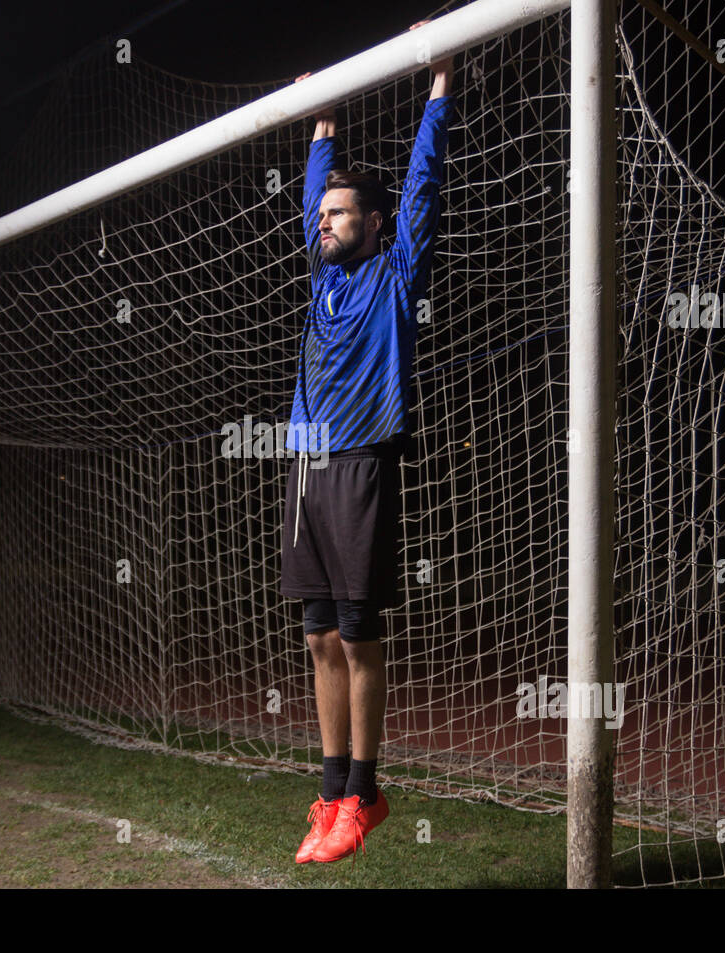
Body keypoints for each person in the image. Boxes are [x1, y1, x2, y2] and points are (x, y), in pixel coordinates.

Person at [282, 25, 455, 864]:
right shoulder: (320, 276)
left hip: (362, 463)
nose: (324, 222)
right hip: (307, 467)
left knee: (356, 635)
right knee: (317, 636)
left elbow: (423, 185)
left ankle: (364, 792)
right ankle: (330, 794)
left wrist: (440, 79)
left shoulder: (394, 272)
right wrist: (322, 122)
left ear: (375, 224)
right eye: (321, 214)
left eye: (339, 213)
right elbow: (313, 194)